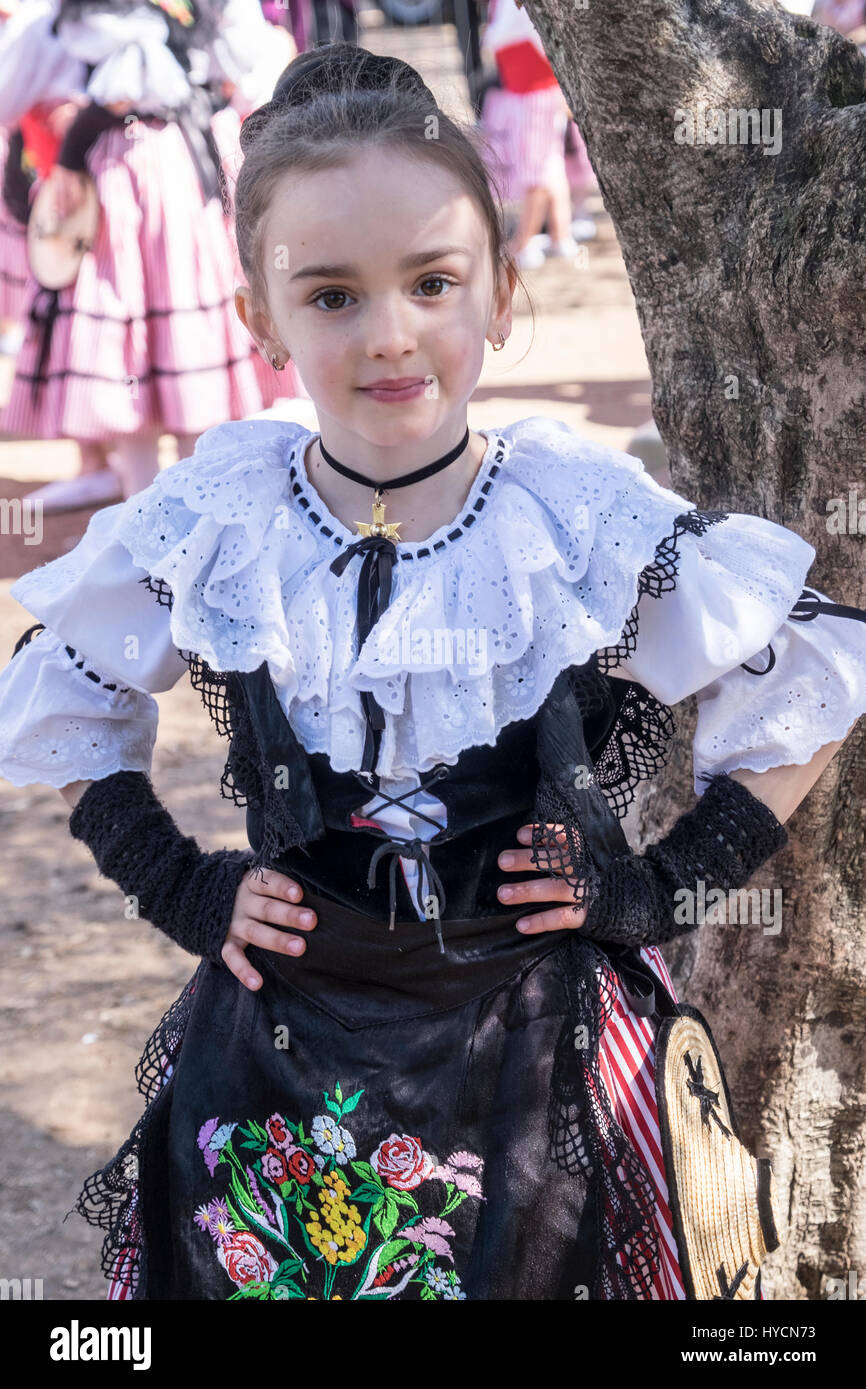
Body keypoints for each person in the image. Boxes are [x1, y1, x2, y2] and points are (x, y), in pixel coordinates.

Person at [1, 42, 865, 1302]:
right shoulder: (217, 513)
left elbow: (809, 668)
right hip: (279, 1060)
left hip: (542, 1051)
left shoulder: (574, 512)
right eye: (333, 295)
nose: (390, 334)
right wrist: (180, 885)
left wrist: (660, 888)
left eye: (432, 281)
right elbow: (68, 689)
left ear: (499, 293)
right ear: (258, 315)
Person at [0, 0, 305, 512]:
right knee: (165, 335)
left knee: (153, 334)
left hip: (139, 171)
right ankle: (163, 510)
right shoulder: (84, 20)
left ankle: (168, 510)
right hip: (155, 171)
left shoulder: (81, 20)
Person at [479, 0, 582, 269]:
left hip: (535, 91)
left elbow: (507, 36)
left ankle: (524, 243)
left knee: (536, 168)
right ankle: (561, 236)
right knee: (550, 165)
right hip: (532, 89)